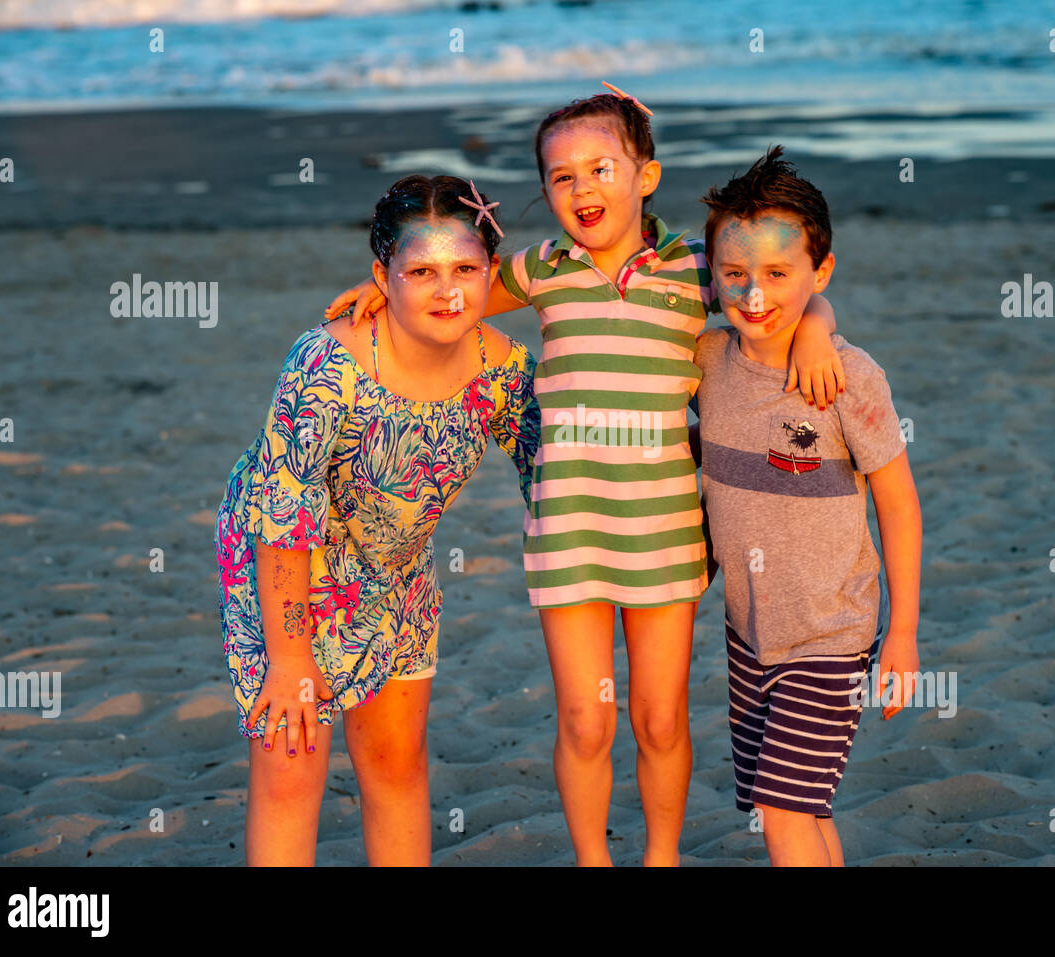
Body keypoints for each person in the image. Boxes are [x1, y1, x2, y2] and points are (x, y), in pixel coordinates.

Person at [326, 82, 846, 866]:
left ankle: (660, 857)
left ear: (646, 177)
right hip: (568, 532)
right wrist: (384, 286)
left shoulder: (696, 267)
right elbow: (457, 286)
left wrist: (817, 325)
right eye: (561, 178)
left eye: (602, 168)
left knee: (661, 718)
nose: (582, 189)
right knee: (585, 719)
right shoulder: (541, 268)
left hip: (665, 534)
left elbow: (773, 284)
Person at [215, 175, 539, 866]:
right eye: (420, 271)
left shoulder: (504, 371)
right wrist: (293, 657)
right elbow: (282, 515)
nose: (447, 291)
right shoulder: (327, 363)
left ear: (491, 274)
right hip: (287, 564)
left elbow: (558, 465)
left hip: (398, 561)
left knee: (396, 761)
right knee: (293, 756)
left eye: (465, 270)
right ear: (381, 277)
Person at [690, 146, 923, 866]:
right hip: (749, 633)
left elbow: (899, 502)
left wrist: (905, 633)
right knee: (798, 805)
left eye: (779, 275)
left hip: (832, 633)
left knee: (783, 811)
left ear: (821, 272)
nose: (754, 295)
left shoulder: (846, 377)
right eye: (735, 274)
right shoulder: (705, 359)